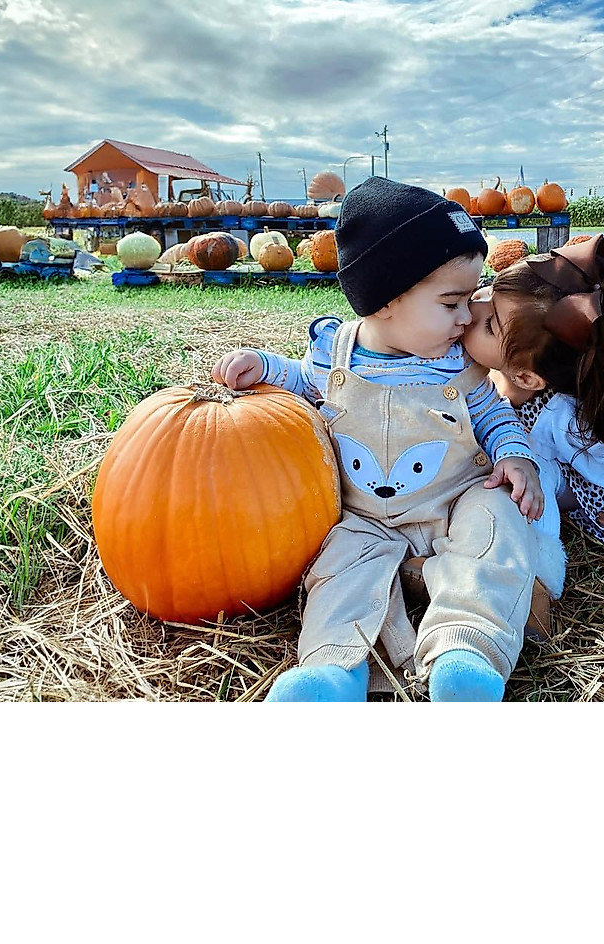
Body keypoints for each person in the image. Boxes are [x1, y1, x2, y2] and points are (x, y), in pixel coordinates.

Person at [211, 177, 556, 702]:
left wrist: (514, 456)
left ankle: (468, 650)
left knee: (499, 522)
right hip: (364, 518)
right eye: (451, 302)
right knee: (338, 573)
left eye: (469, 302)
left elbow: (493, 416)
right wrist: (263, 366)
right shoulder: (335, 352)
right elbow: (304, 382)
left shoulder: (456, 362)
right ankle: (333, 671)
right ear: (388, 298)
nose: (467, 317)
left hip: (454, 502)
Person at [462, 233, 604, 558]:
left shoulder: (573, 422)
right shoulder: (504, 369)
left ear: (525, 376)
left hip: (592, 495)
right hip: (555, 466)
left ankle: (540, 556)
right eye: (487, 293)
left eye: (490, 325)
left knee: (531, 475)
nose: (471, 310)